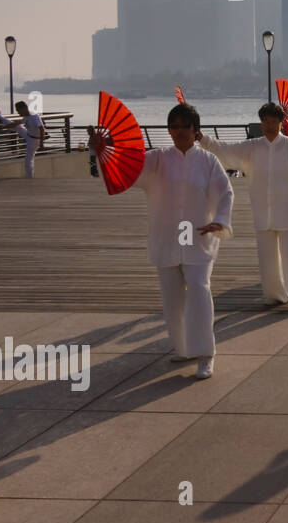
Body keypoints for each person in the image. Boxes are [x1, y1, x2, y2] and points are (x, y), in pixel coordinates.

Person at [89, 103, 233, 380]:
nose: (179, 132)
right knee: (172, 298)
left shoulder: (208, 161)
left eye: (185, 126)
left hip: (198, 237)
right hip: (166, 238)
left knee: (200, 291)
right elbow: (124, 170)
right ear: (169, 130)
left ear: (196, 130)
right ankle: (184, 348)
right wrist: (102, 151)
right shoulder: (155, 159)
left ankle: (205, 354)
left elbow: (225, 193)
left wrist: (222, 220)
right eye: (174, 126)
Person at [199, 103, 288, 313]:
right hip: (262, 211)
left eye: (274, 122)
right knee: (267, 256)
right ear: (261, 122)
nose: (270, 126)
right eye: (266, 121)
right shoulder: (252, 147)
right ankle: (275, 295)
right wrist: (203, 139)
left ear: (281, 123)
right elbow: (226, 150)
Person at [0, 101, 46, 178]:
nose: (19, 114)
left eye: (19, 111)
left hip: (34, 141)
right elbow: (15, 124)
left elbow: (42, 129)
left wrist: (41, 143)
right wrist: (3, 127)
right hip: (28, 135)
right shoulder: (26, 117)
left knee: (28, 160)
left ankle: (29, 178)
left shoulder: (34, 116)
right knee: (17, 126)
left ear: (24, 108)